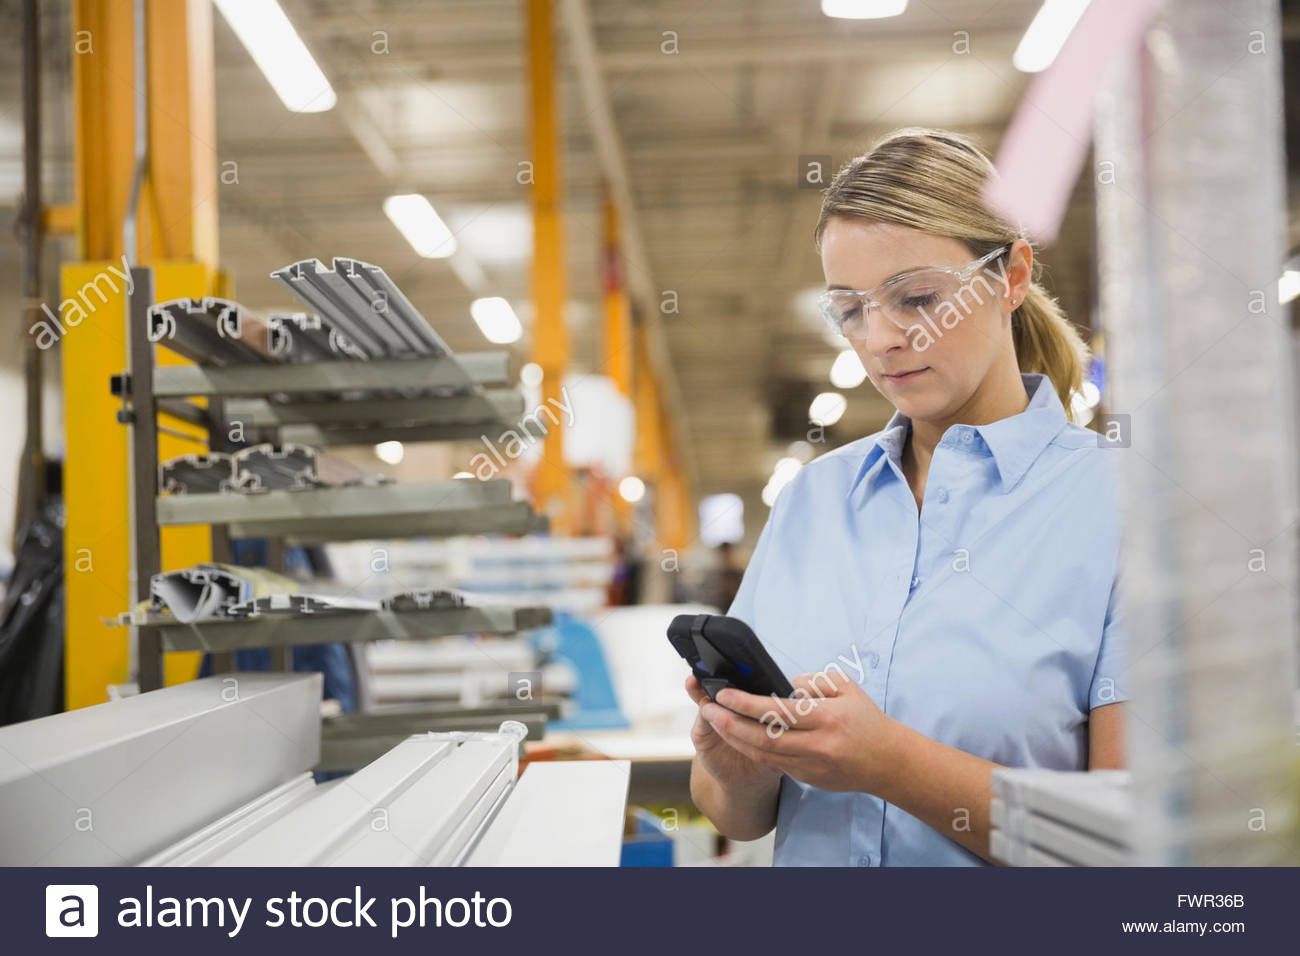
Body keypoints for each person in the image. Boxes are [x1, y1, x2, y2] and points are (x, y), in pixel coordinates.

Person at [686, 128, 1126, 866]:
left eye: (917, 298)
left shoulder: (1125, 509)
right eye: (850, 309)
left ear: (1012, 275)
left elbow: (1136, 838)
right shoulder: (811, 503)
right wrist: (737, 766)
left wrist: (893, 765)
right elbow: (736, 816)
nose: (880, 339)